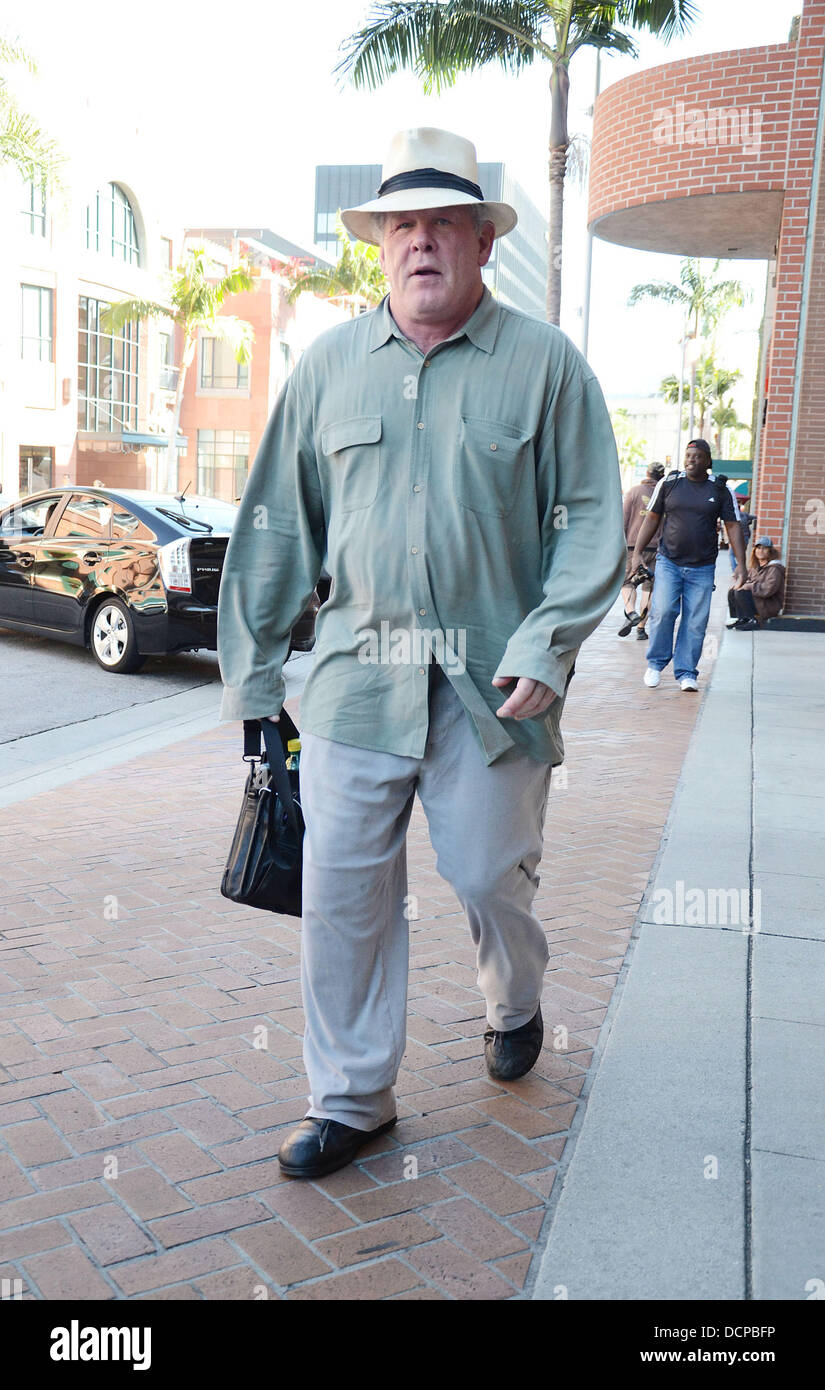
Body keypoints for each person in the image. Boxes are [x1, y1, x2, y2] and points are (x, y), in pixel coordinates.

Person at [217, 126, 626, 1179]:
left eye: (447, 221)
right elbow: (275, 526)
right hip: (356, 685)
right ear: (381, 245)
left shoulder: (547, 368)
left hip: (498, 687)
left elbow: (588, 520)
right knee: (344, 899)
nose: (424, 242)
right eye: (405, 224)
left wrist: (551, 637)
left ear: (485, 242)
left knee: (492, 876)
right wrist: (257, 680)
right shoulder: (327, 370)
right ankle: (352, 1099)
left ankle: (513, 998)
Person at [630, 438, 746, 692]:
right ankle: (656, 664)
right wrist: (637, 552)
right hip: (669, 562)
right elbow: (651, 518)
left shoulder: (720, 490)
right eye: (688, 455)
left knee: (695, 621)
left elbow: (734, 526)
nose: (691, 459)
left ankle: (686, 673)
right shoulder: (670, 483)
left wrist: (741, 565)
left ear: (708, 461)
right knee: (662, 612)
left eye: (697, 456)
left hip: (702, 567)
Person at [618, 463, 665, 640]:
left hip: (634, 546)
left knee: (628, 582)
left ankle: (631, 612)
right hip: (657, 547)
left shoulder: (634, 491)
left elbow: (623, 519)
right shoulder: (664, 493)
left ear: (647, 473)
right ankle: (641, 628)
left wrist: (620, 542)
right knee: (649, 587)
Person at [726, 535, 786, 629]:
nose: (760, 551)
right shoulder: (755, 567)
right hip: (759, 601)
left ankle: (754, 621)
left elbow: (768, 590)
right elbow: (747, 581)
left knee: (741, 593)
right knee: (733, 591)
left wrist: (749, 586)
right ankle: (742, 619)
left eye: (764, 548)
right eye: (758, 548)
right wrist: (739, 581)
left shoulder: (775, 569)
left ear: (770, 551)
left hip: (769, 604)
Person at [726, 491, 757, 572]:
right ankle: (740, 569)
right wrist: (749, 522)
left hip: (737, 537)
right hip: (746, 536)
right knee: (742, 553)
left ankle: (735, 570)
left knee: (732, 554)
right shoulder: (745, 515)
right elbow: (755, 517)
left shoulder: (732, 515)